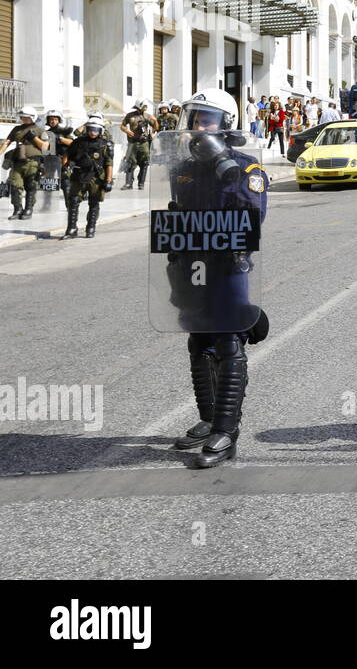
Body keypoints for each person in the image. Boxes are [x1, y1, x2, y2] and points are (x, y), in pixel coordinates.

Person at [165, 90, 270, 469]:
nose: (197, 126)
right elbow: (177, 214)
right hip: (192, 267)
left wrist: (224, 161)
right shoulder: (183, 169)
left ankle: (227, 433)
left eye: (206, 119)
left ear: (226, 123)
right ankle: (208, 419)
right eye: (193, 118)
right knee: (198, 341)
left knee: (227, 341)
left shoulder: (246, 169)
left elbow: (252, 221)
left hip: (228, 267)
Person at [60, 114, 114, 240]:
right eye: (90, 129)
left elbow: (109, 163)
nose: (92, 132)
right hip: (79, 175)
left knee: (94, 202)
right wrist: (65, 167)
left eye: (95, 130)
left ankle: (91, 227)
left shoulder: (106, 144)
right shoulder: (78, 142)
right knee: (73, 201)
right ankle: (71, 229)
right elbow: (67, 154)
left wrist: (108, 180)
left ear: (100, 130)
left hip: (96, 177)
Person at [1, 106, 49, 219]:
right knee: (14, 185)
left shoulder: (40, 130)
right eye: (22, 117)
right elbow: (6, 142)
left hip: (33, 162)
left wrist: (34, 138)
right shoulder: (17, 129)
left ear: (33, 117)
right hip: (18, 162)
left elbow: (45, 147)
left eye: (27, 117)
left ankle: (28, 209)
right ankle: (17, 209)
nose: (24, 119)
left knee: (31, 186)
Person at [119, 100, 157, 190]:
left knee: (144, 163)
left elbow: (156, 128)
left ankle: (141, 183)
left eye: (145, 106)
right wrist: (127, 131)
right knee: (130, 162)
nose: (145, 107)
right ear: (138, 106)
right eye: (143, 105)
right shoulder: (130, 115)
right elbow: (122, 126)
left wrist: (155, 121)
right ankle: (128, 183)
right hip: (132, 142)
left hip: (144, 143)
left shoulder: (148, 116)